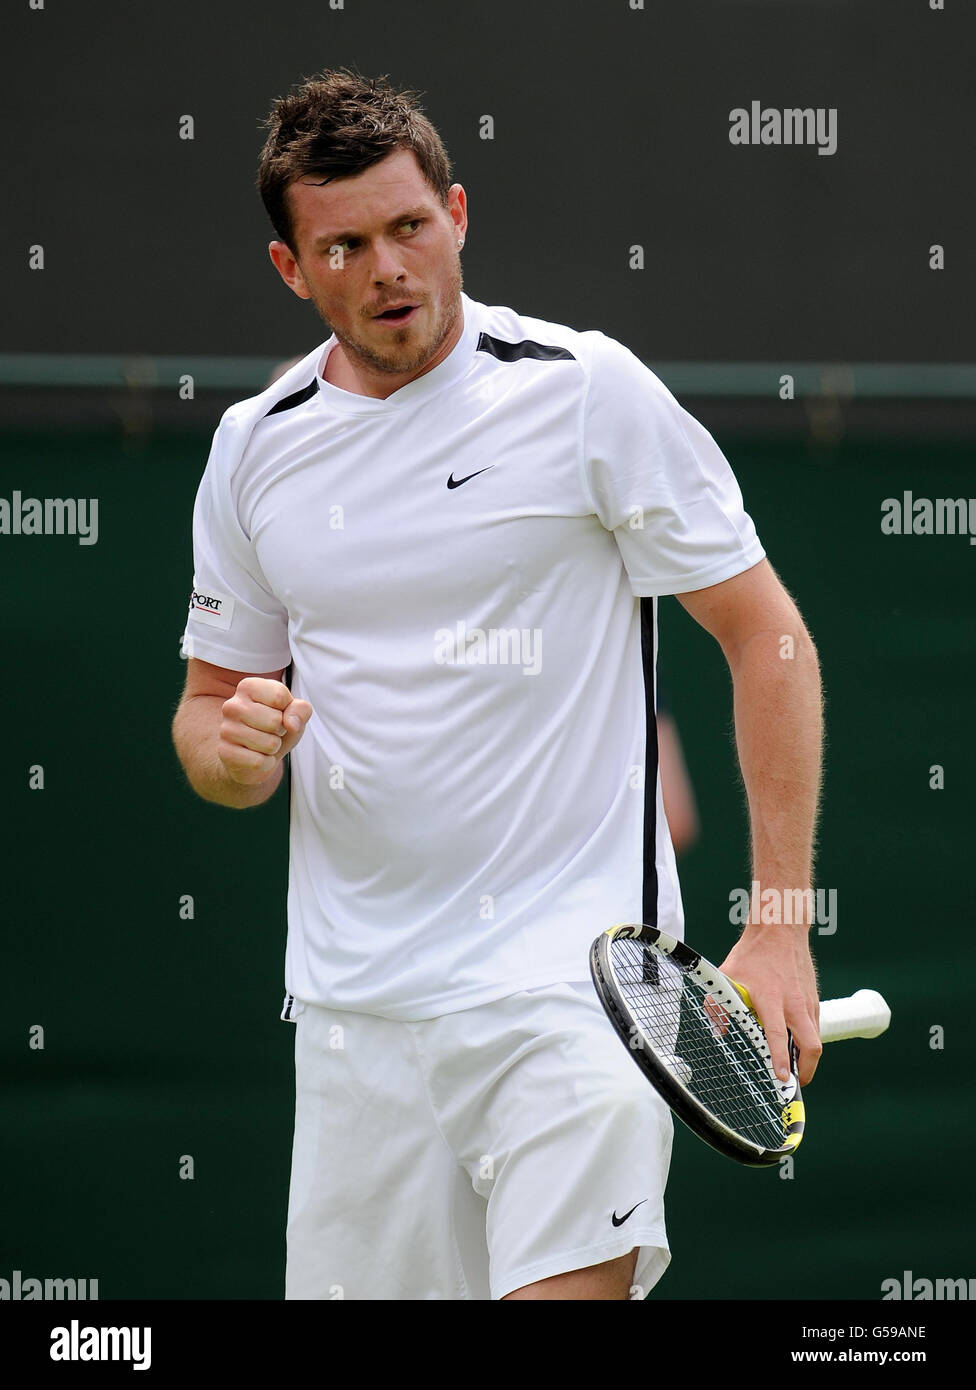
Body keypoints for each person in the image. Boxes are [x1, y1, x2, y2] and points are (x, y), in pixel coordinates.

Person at [171, 67, 823, 1302]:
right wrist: (231, 749)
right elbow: (210, 714)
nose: (386, 269)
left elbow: (768, 638)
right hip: (359, 1019)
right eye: (345, 245)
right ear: (292, 271)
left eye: (409, 227)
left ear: (457, 215)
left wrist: (778, 922)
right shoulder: (252, 447)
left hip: (579, 996)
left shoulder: (587, 392)